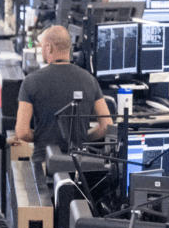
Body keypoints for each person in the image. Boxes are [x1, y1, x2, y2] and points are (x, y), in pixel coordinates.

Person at [15, 25, 112, 161]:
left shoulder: (31, 81)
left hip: (45, 163)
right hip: (79, 166)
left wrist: (45, 137)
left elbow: (22, 132)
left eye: (42, 46)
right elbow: (106, 125)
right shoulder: (90, 79)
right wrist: (81, 137)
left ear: (49, 48)